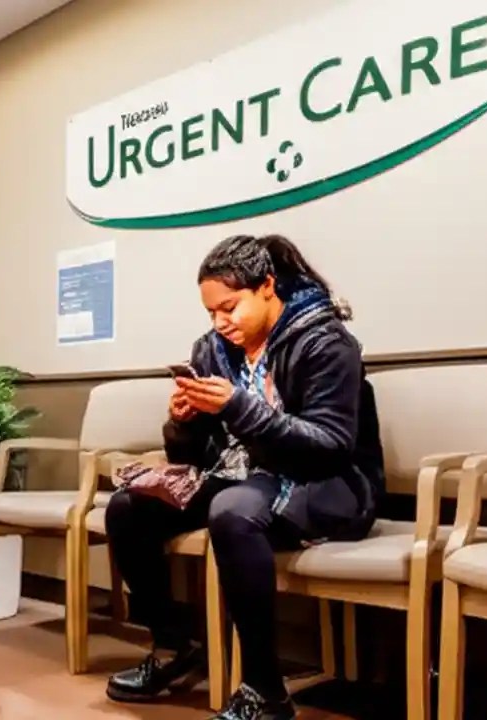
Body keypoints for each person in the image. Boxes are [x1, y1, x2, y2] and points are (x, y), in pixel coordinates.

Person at [103, 234, 384, 720]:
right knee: (128, 508)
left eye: (229, 307)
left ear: (267, 287)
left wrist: (238, 406)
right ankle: (173, 646)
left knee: (231, 512)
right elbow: (192, 452)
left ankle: (264, 689)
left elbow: (330, 444)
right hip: (243, 474)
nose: (220, 322)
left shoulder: (326, 341)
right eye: (211, 312)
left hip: (329, 482)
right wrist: (185, 421)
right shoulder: (214, 350)